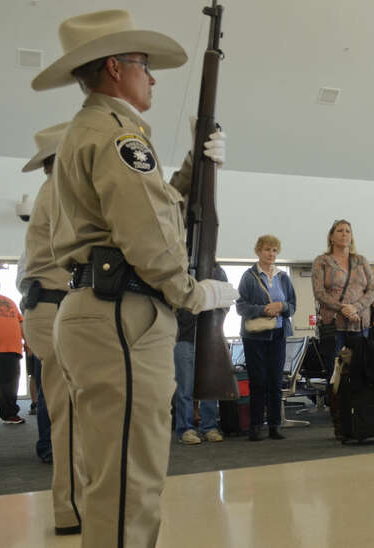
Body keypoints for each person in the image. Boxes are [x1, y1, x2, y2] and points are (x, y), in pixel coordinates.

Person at [36, 10, 237, 546]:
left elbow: (149, 208)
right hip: (122, 318)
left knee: (114, 478)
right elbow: (148, 237)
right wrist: (194, 293)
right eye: (144, 65)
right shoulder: (117, 136)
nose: (152, 77)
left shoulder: (97, 131)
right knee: (130, 483)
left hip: (103, 311)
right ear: (114, 68)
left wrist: (198, 166)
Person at [18, 122, 84, 534]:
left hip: (50, 308)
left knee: (70, 414)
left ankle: (73, 507)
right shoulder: (61, 191)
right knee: (72, 418)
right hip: (55, 308)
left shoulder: (53, 192)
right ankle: (71, 511)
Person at [312, 220, 374, 438]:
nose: (344, 234)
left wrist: (355, 307)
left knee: (360, 371)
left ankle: (361, 420)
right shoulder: (322, 261)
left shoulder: (361, 261)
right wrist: (343, 308)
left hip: (360, 323)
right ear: (331, 236)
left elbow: (372, 291)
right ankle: (340, 422)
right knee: (335, 374)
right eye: (339, 231)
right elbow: (319, 292)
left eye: (348, 231)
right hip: (334, 324)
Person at [237, 235, 297, 442]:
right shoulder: (248, 276)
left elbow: (293, 305)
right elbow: (240, 307)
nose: (271, 254)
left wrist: (282, 307)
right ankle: (255, 426)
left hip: (279, 333)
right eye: (267, 250)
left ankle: (274, 425)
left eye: (274, 250)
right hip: (255, 336)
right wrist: (264, 309)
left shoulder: (283, 277)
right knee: (258, 381)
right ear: (258, 251)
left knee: (274, 380)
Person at [174, 265, 229, 445]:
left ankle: (209, 427)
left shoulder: (218, 272)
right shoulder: (179, 267)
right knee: (185, 387)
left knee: (209, 384)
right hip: (183, 335)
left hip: (209, 336)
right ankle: (186, 429)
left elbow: (226, 301)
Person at [0, 283, 25, 425]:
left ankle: (10, 415)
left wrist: (27, 343)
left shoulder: (10, 302)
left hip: (11, 349)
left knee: (10, 384)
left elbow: (20, 323)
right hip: (10, 349)